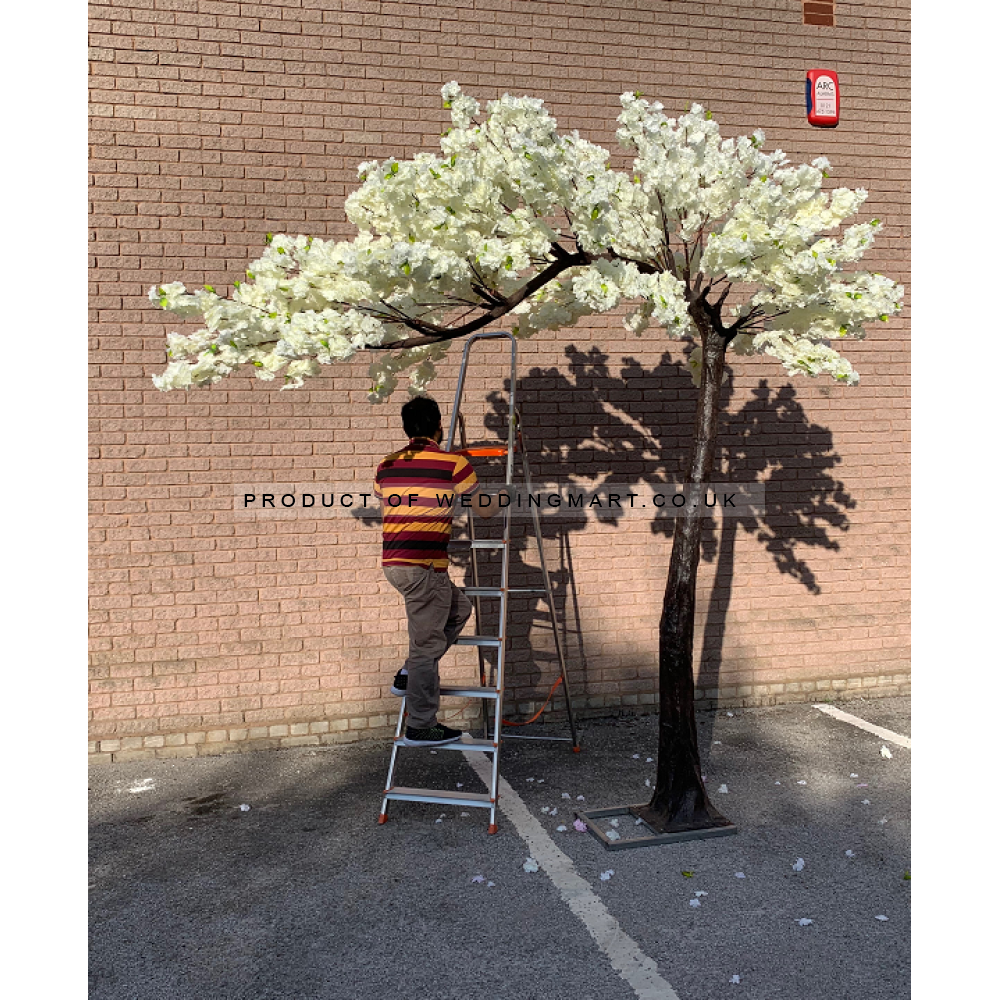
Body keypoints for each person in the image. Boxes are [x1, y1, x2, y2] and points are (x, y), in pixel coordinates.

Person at [373, 395, 501, 747]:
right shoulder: (452, 463)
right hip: (423, 566)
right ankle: (421, 725)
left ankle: (407, 674)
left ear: (405, 428)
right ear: (438, 427)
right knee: (426, 648)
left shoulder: (386, 465)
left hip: (398, 564)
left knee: (460, 609)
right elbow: (485, 512)